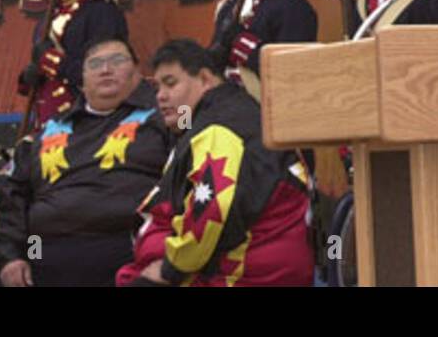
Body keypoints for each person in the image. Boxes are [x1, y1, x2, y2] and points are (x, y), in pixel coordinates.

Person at [119, 40, 313, 287]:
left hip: (241, 274)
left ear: (205, 80)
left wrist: (171, 269)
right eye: (156, 87)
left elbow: (213, 208)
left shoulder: (218, 127)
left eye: (170, 83)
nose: (160, 96)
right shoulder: (215, 114)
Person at [0, 36, 171, 286]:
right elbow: (12, 190)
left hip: (125, 248)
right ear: (83, 80)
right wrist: (11, 257)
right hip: (41, 249)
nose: (106, 69)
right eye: (95, 64)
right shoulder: (50, 128)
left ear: (137, 72)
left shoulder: (165, 117)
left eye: (117, 60)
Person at [19, 0, 129, 128]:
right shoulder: (44, 22)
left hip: (88, 131)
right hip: (47, 133)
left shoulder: (100, 14)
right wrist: (31, 76)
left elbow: (109, 77)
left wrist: (53, 61)